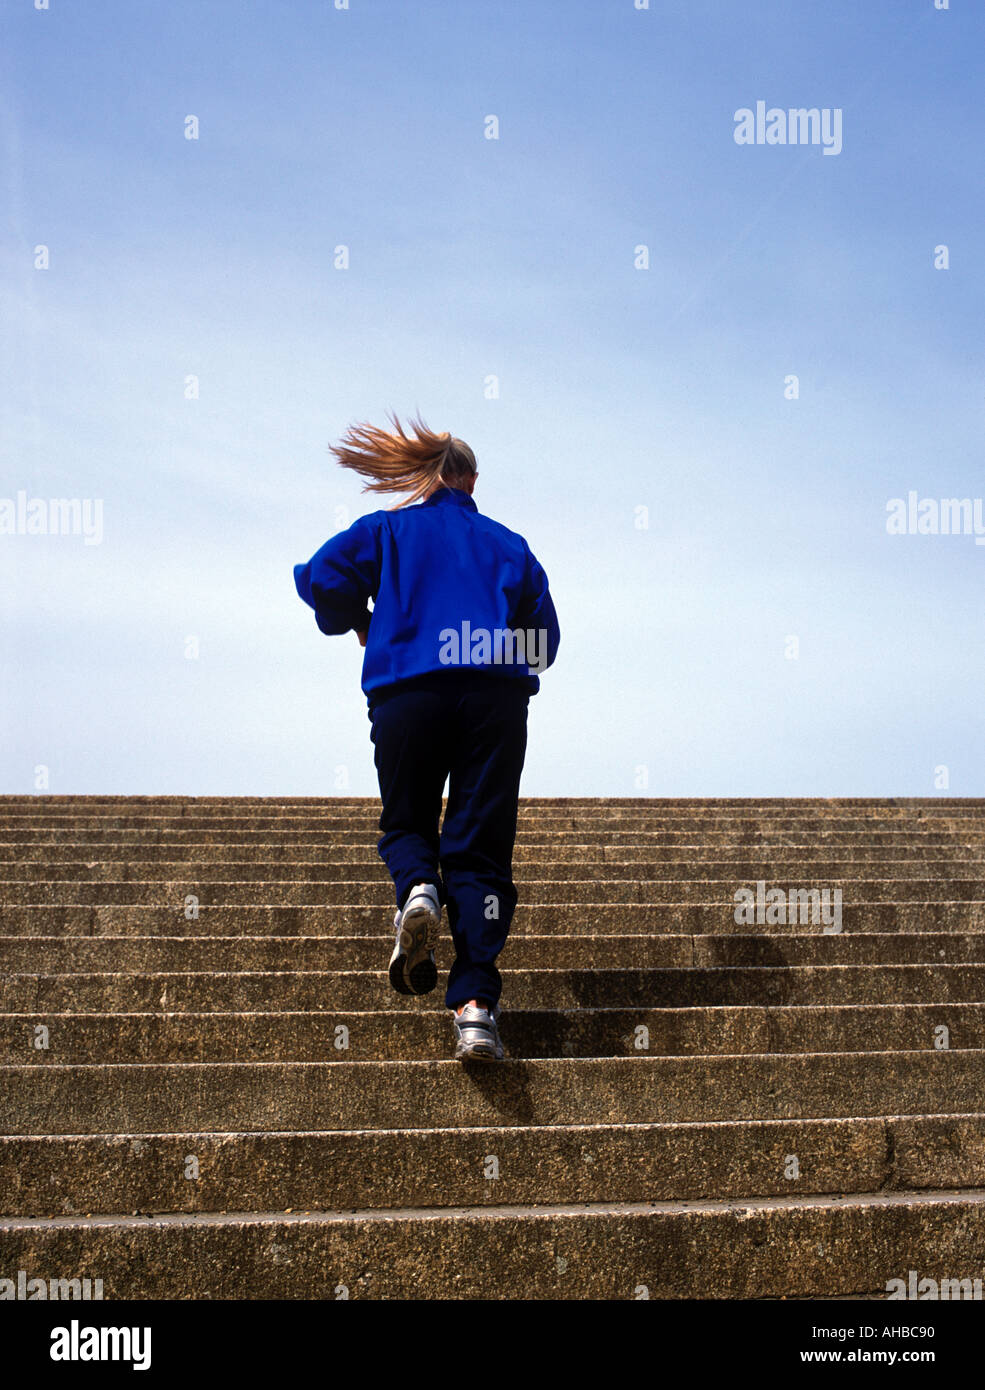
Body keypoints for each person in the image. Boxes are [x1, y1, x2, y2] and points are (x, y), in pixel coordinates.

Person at [293, 412, 560, 1060]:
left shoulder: (386, 530)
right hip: (491, 703)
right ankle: (474, 1010)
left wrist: (359, 621)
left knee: (408, 822)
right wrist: (492, 654)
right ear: (469, 479)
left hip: (407, 693)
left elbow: (317, 577)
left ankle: (417, 886)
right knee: (479, 850)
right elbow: (544, 644)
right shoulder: (508, 545)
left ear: (427, 476)